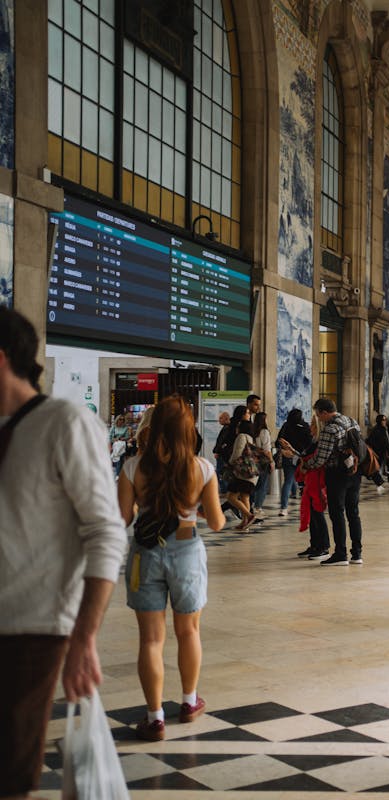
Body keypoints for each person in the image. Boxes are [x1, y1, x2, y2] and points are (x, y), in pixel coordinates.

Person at [0, 307, 127, 798]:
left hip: (30, 631)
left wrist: (84, 637)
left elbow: (106, 531)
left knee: (9, 771)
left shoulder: (63, 423)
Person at [118, 395, 226, 741]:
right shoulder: (203, 468)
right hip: (187, 552)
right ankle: (189, 702)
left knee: (151, 639)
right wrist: (197, 508)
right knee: (188, 632)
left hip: (145, 554)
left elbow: (123, 518)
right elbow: (218, 523)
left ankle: (154, 718)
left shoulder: (133, 467)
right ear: (187, 430)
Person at [283, 398, 365, 566]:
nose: (318, 419)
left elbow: (321, 458)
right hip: (355, 472)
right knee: (353, 513)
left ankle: (341, 554)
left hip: (337, 474)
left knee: (337, 514)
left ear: (324, 412)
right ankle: (357, 554)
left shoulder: (330, 428)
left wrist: (306, 465)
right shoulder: (351, 421)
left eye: (318, 415)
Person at [295, 414, 330, 560]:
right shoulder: (313, 442)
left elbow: (314, 461)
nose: (310, 427)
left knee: (318, 514)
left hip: (317, 483)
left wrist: (304, 465)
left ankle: (323, 546)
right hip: (309, 482)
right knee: (313, 514)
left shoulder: (320, 443)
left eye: (313, 425)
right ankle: (315, 545)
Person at [276, 408, 311, 517]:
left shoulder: (286, 426)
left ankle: (283, 508)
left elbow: (279, 440)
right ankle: (307, 507)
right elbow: (309, 443)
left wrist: (283, 450)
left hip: (288, 456)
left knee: (288, 481)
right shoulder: (305, 426)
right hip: (301, 457)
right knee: (305, 483)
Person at [225, 417, 259, 530]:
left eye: (238, 426)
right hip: (251, 474)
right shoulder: (251, 438)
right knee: (245, 497)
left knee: (230, 497)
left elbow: (237, 454)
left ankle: (249, 516)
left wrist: (230, 463)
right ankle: (245, 523)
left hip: (242, 473)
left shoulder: (241, 436)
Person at [366, 414, 389, 494]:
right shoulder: (382, 429)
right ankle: (384, 484)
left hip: (380, 452)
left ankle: (387, 484)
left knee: (385, 468)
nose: (385, 421)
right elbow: (386, 442)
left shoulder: (377, 429)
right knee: (383, 468)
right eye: (383, 420)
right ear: (379, 421)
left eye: (385, 420)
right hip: (382, 452)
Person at [250, 411, 274, 515]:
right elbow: (267, 449)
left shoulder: (252, 430)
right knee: (262, 484)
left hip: (254, 459)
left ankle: (250, 504)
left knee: (254, 483)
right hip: (263, 461)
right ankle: (258, 506)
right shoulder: (264, 432)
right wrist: (272, 461)